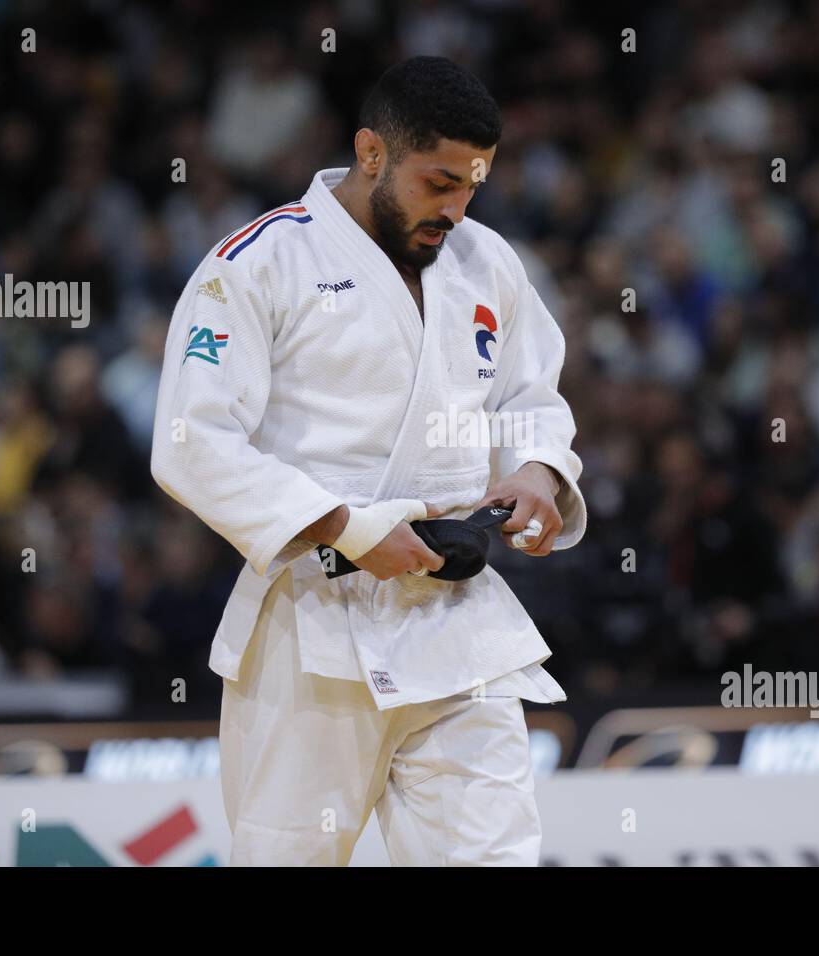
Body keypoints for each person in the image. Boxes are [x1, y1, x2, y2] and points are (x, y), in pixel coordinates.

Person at [150, 56, 586, 866]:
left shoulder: (487, 263)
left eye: (473, 186)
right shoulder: (258, 264)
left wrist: (538, 470)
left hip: (459, 622)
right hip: (315, 621)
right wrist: (347, 528)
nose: (455, 208)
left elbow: (532, 398)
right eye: (439, 182)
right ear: (373, 153)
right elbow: (191, 443)